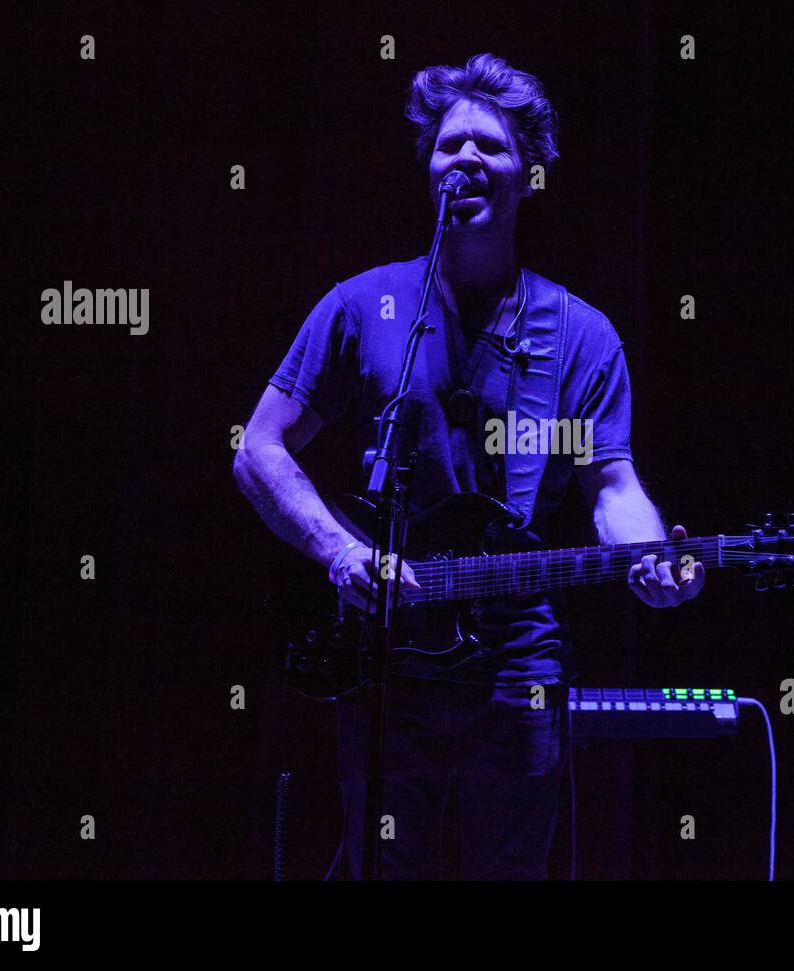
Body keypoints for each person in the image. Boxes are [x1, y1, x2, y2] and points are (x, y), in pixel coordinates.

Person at [234, 53, 703, 879]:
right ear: (428, 169)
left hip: (518, 660)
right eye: (450, 146)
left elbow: (613, 486)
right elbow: (259, 448)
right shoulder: (364, 304)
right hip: (382, 664)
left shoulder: (581, 334)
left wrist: (649, 557)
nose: (467, 159)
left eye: (490, 146)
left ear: (529, 173)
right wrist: (340, 551)